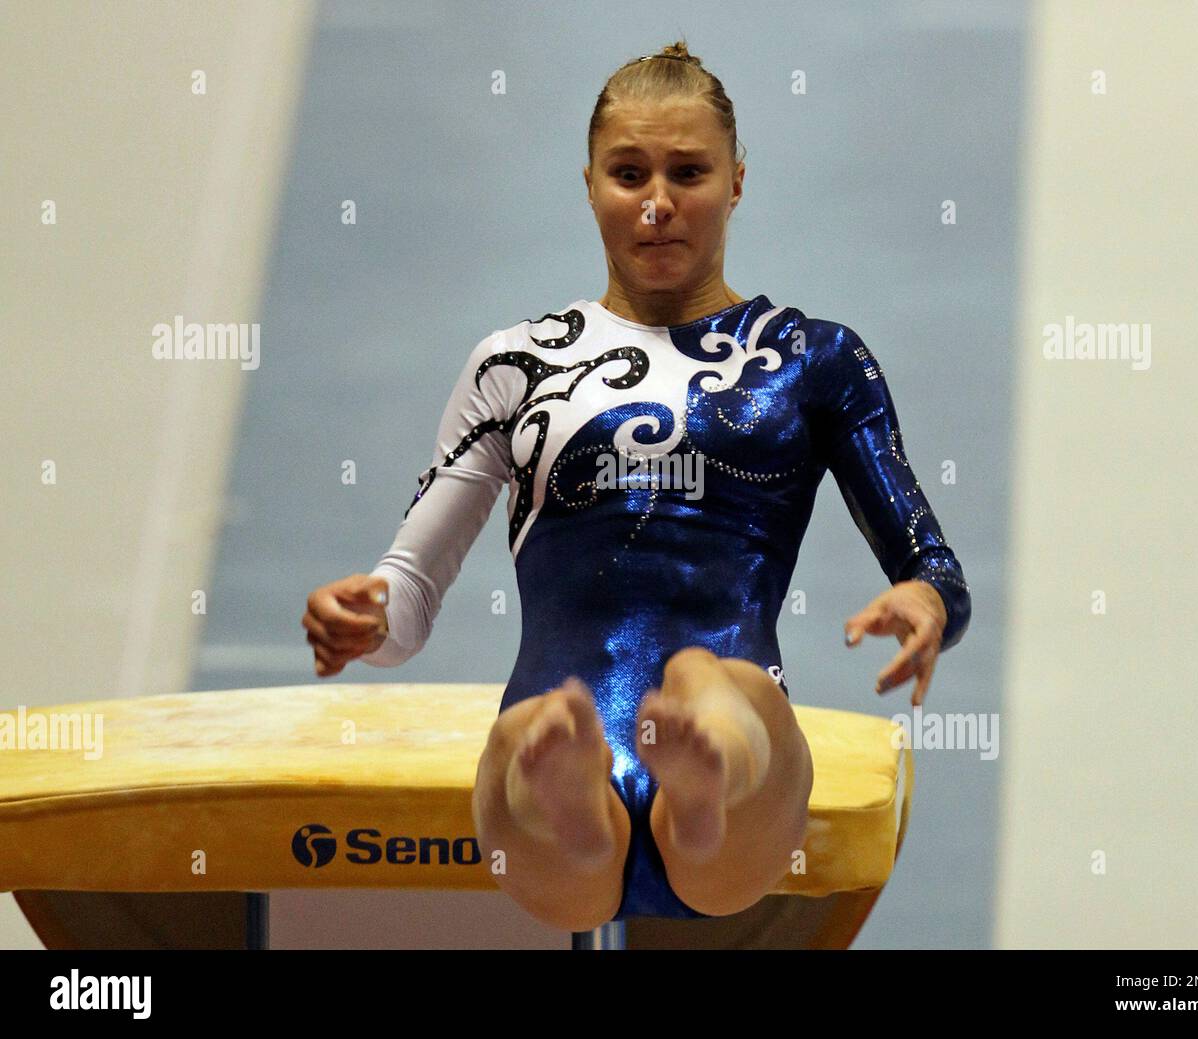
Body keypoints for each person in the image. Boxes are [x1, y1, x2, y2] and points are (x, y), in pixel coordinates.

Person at [301, 40, 971, 931]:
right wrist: (369, 612)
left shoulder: (812, 359)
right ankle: (583, 800)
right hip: (554, 771)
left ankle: (698, 781)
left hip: (745, 783)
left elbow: (931, 564)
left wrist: (925, 601)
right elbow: (411, 590)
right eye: (629, 174)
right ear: (589, 185)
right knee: (537, 731)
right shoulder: (516, 364)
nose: (657, 204)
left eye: (687, 172)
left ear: (736, 181)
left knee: (712, 686)